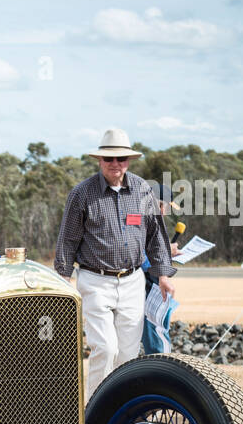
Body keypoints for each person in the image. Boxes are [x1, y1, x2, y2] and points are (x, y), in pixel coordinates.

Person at [53, 128, 176, 398]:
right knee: (105, 348)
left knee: (128, 353)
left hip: (133, 281)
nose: (115, 164)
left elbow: (156, 236)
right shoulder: (82, 194)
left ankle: (121, 412)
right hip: (94, 281)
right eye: (109, 159)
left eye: (121, 159)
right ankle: (93, 414)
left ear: (128, 161)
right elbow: (68, 239)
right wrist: (63, 278)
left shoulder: (143, 190)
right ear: (100, 161)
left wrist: (164, 274)